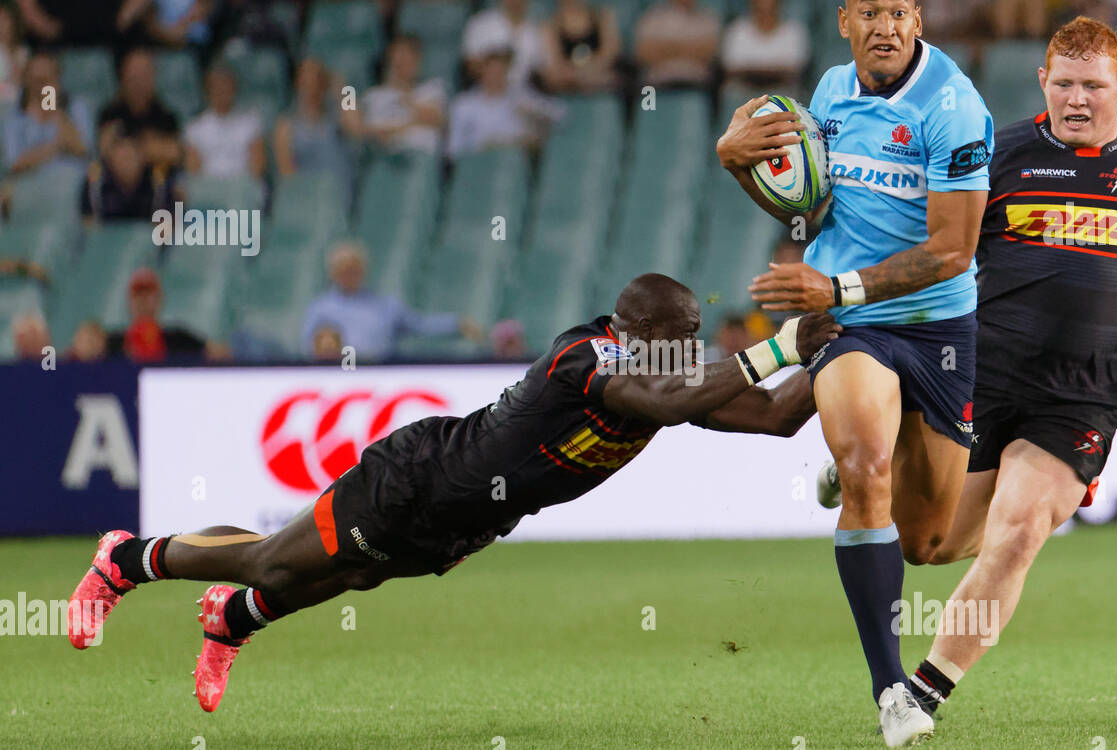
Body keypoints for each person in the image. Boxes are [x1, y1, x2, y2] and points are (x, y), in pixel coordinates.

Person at [67, 273, 842, 713]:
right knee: (277, 560)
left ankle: (233, 623)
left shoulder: (664, 370)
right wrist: (778, 344)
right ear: (632, 330)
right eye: (673, 344)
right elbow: (672, 401)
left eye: (689, 346)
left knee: (355, 574)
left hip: (472, 519)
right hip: (415, 479)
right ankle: (126, 561)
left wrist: (849, 347)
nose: (683, 358)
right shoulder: (589, 357)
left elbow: (776, 417)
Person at [814, 17, 1117, 726]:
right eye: (1066, 84)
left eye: (1094, 86)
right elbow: (929, 250)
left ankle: (922, 693)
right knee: (931, 547)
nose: (1079, 99)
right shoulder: (996, 157)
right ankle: (870, 463)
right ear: (1043, 81)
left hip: (1081, 397)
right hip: (980, 379)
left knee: (1020, 529)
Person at [721, 0, 994, 748]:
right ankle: (891, 694)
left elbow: (953, 250)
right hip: (856, 330)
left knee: (928, 543)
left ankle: (870, 460)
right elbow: (805, 203)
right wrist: (737, 160)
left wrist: (835, 288)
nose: (884, 26)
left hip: (938, 329)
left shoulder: (954, 108)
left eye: (899, 12)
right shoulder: (831, 96)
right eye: (868, 12)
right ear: (844, 22)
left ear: (919, 22)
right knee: (871, 474)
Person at [300, 242, 477, 360]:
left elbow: (420, 324)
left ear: (363, 270)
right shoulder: (321, 309)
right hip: (342, 381)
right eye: (343, 270)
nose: (349, 275)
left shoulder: (385, 307)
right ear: (333, 273)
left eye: (354, 269)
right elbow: (311, 347)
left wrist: (455, 324)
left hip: (382, 376)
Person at [446, 42, 564, 159]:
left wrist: (535, 114)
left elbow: (560, 114)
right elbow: (453, 149)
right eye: (491, 70)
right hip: (478, 164)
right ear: (482, 70)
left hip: (516, 163)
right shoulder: (463, 104)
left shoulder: (522, 97)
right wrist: (486, 146)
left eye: (501, 70)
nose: (495, 75)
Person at [342, 36, 445, 157]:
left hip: (419, 158)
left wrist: (388, 131)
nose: (402, 64)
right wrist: (345, 89)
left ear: (418, 61)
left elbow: (435, 120)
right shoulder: (374, 95)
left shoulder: (431, 89)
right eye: (397, 58)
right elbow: (351, 127)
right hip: (382, 160)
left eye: (408, 58)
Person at [2, 52, 93, 176]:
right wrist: (56, 147)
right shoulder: (14, 115)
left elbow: (83, 150)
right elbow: (14, 164)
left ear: (58, 78)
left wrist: (55, 111)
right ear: (26, 80)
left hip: (70, 181)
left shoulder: (76, 107)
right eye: (37, 80)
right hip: (30, 184)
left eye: (47, 79)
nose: (41, 87)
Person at [273, 56, 353, 195]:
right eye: (305, 78)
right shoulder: (286, 125)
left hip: (339, 196)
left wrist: (344, 88)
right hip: (308, 200)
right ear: (297, 83)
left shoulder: (336, 119)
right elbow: (287, 173)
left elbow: (355, 124)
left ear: (324, 83)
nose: (311, 83)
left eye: (317, 77)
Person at [719, 0, 810, 94]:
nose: (766, 4)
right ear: (751, 1)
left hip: (782, 91)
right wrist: (772, 69)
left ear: (780, 2)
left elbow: (794, 69)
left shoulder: (794, 31)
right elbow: (732, 68)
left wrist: (753, 69)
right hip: (744, 91)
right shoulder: (737, 30)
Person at [635, 0, 720, 89]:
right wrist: (690, 47)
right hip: (657, 83)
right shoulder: (652, 19)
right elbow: (644, 53)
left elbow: (708, 52)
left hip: (698, 83)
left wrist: (665, 47)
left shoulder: (708, 19)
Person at [97, 48, 183, 173]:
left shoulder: (166, 115)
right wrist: (150, 148)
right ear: (123, 78)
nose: (139, 83)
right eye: (134, 76)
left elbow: (175, 153)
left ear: (153, 77)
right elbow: (104, 151)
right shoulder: (110, 113)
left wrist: (130, 149)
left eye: (144, 75)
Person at [541, 0, 621, 94]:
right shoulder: (550, 25)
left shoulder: (603, 17)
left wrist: (583, 74)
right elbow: (554, 67)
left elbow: (610, 54)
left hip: (600, 91)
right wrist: (585, 77)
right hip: (568, 91)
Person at [461, 0, 545, 92]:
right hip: (485, 92)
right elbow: (470, 65)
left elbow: (538, 72)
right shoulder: (480, 23)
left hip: (521, 94)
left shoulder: (534, 31)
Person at [104, 267, 209, 361]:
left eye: (149, 294)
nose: (143, 300)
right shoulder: (110, 346)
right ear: (129, 301)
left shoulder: (182, 342)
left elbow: (213, 353)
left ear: (159, 299)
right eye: (138, 295)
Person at [182, 65, 266, 178]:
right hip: (209, 187)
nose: (222, 91)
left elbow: (258, 166)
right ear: (207, 91)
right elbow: (193, 170)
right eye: (216, 87)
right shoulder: (195, 127)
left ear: (234, 89)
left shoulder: (251, 123)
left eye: (226, 86)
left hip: (243, 187)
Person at [80, 130, 179, 223]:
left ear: (142, 156)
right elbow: (88, 225)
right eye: (121, 156)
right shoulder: (96, 181)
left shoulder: (158, 181)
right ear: (110, 157)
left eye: (131, 156)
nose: (126, 163)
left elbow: (167, 226)